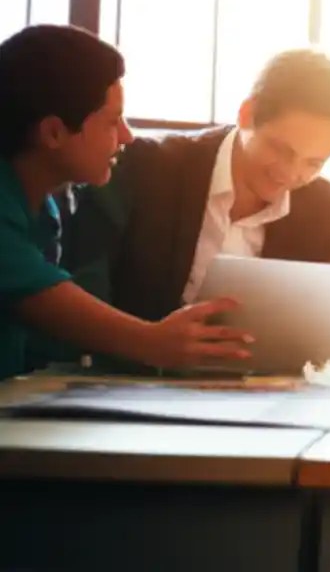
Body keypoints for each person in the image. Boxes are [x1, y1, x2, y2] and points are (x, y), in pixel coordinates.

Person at [48, 49, 330, 369]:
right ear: (246, 114)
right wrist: (147, 343)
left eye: (313, 162)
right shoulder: (152, 168)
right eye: (280, 149)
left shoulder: (316, 201)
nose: (289, 174)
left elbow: (324, 297)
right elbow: (84, 287)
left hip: (253, 389)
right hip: (130, 379)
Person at [0, 24, 251, 380]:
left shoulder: (45, 207)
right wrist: (152, 341)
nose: (127, 137)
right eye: (112, 121)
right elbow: (40, 298)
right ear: (54, 132)